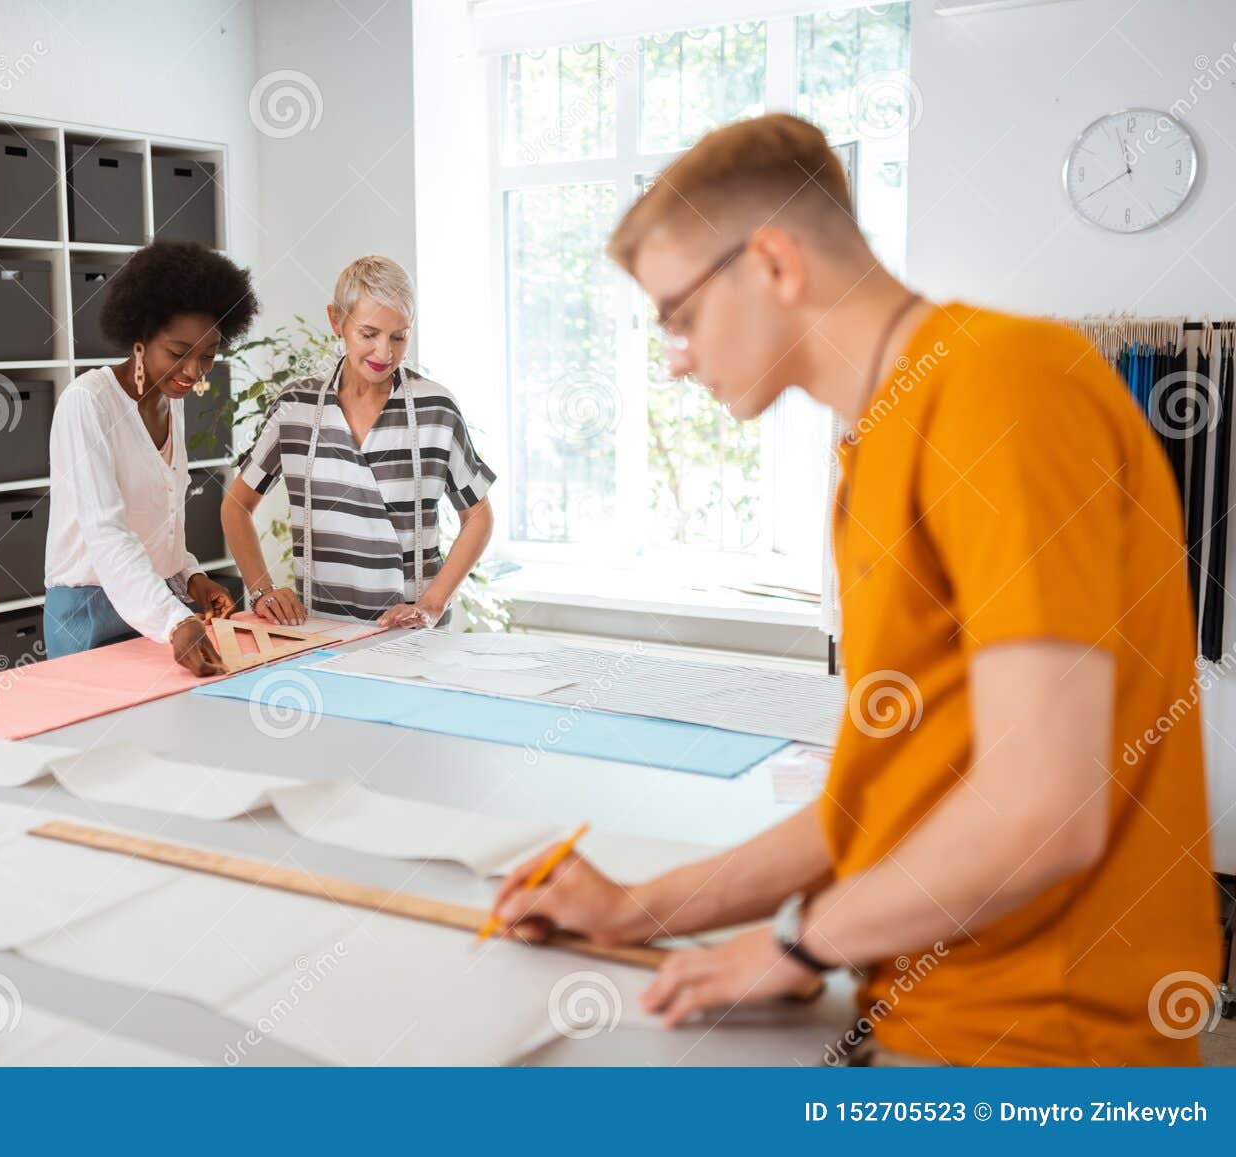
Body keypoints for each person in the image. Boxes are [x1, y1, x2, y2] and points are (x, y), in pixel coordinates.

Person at [489, 113, 1223, 1066]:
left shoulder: (1002, 384)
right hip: (915, 1014)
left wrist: (796, 942)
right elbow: (875, 806)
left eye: (677, 314)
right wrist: (636, 908)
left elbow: (1043, 813)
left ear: (774, 263)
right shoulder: (877, 444)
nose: (673, 356)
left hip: (1033, 1050)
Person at [221, 256, 494, 628]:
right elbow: (236, 504)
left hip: (414, 636)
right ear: (337, 321)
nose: (385, 353)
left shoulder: (436, 408)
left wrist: (431, 605)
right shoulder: (295, 408)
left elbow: (478, 516)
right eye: (369, 334)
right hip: (320, 632)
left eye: (399, 336)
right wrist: (261, 589)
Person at [43, 240, 257, 672]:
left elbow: (159, 522)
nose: (194, 372)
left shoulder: (169, 402)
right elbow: (107, 533)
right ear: (140, 338)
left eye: (208, 356)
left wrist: (189, 577)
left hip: (156, 603)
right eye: (178, 354)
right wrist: (175, 620)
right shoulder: (88, 403)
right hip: (90, 614)